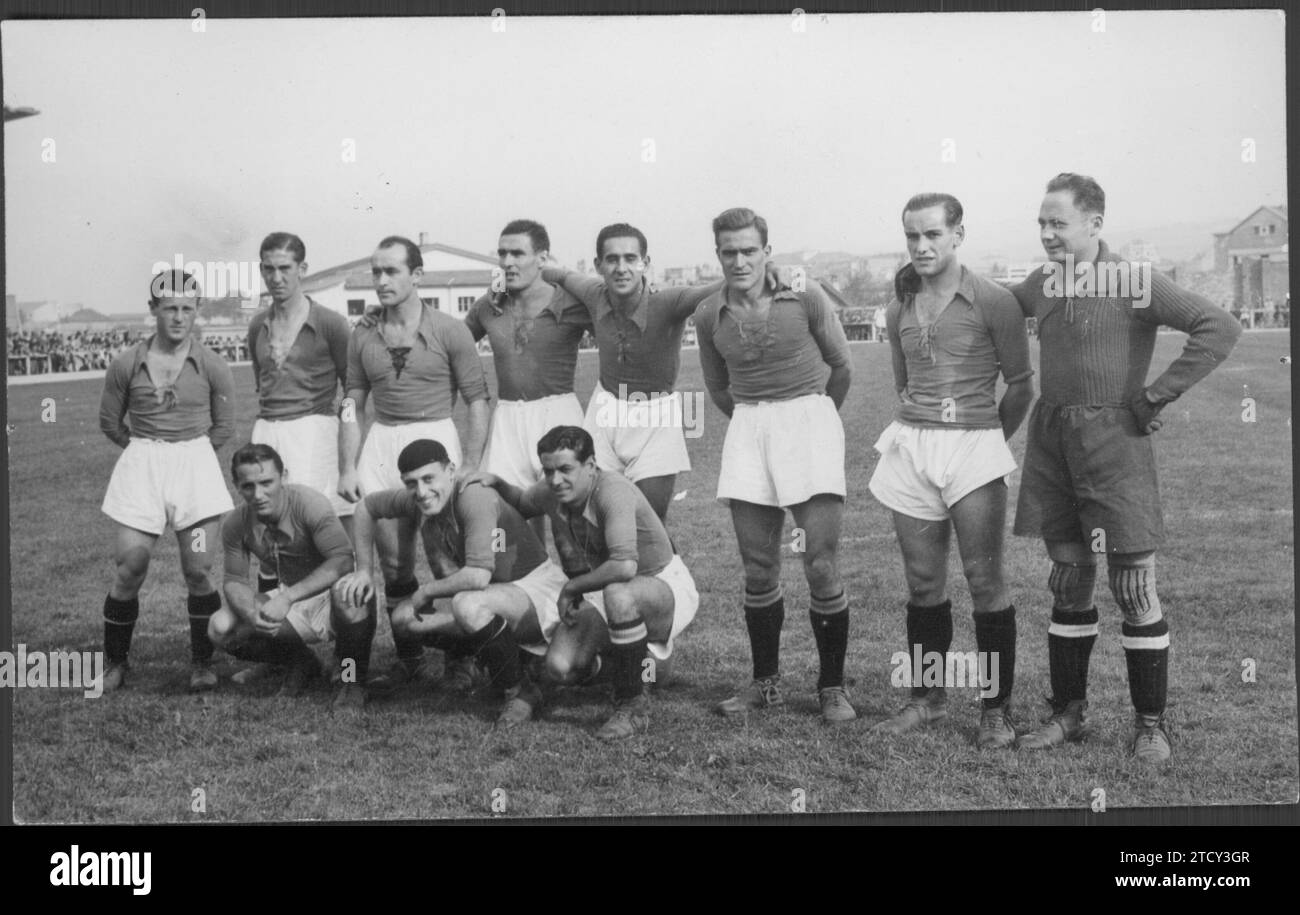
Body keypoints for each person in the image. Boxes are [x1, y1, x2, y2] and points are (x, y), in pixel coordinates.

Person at [1011, 173, 1241, 762]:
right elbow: (992, 309)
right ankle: (1069, 714)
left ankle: (1150, 725)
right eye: (1041, 223)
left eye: (1058, 222)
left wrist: (1158, 393)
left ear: (1095, 224)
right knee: (1068, 578)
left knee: (1134, 584)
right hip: (1052, 439)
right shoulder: (1041, 282)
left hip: (1115, 443)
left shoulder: (1133, 281)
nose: (1047, 234)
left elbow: (1219, 326)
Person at [867, 193, 1034, 748]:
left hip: (975, 445)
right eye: (912, 236)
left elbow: (1021, 386)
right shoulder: (898, 308)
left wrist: (985, 441)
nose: (921, 246)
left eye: (933, 234)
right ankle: (929, 699)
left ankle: (996, 710)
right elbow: (902, 384)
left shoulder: (994, 300)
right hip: (913, 445)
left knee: (986, 582)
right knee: (922, 584)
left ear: (958, 234)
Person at [694, 207, 856, 723]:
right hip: (749, 427)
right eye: (728, 251)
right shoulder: (707, 313)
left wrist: (813, 416)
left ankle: (831, 687)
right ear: (717, 253)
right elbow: (718, 386)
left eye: (748, 250)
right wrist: (755, 419)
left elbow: (842, 366)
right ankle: (765, 684)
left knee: (821, 563)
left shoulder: (804, 294)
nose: (739, 260)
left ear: (767, 250)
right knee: (759, 567)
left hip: (809, 419)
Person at [469, 425, 700, 740]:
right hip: (608, 588)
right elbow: (523, 501)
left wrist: (572, 588)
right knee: (560, 666)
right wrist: (498, 483)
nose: (555, 479)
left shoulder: (612, 490)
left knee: (620, 594)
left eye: (565, 469)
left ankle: (632, 705)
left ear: (590, 465)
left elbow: (623, 565)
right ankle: (642, 665)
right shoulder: (553, 491)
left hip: (661, 582)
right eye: (548, 471)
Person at [338, 235, 491, 690]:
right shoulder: (362, 332)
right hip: (382, 443)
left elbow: (478, 401)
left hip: (436, 436)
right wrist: (348, 464)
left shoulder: (450, 329)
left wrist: (470, 464)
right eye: (376, 271)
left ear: (417, 275)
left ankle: (460, 658)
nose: (381, 280)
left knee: (446, 561)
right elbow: (352, 401)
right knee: (393, 565)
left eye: (391, 271)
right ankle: (409, 657)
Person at [539, 223, 736, 521]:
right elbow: (562, 274)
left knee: (647, 525)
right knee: (593, 518)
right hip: (605, 411)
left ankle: (667, 568)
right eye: (612, 259)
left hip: (655, 416)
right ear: (598, 265)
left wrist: (772, 272)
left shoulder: (668, 302)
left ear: (645, 263)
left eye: (631, 258)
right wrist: (532, 272)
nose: (621, 268)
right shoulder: (593, 292)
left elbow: (722, 287)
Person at [97, 269, 235, 692]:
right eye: (169, 308)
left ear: (197, 312)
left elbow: (224, 427)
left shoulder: (213, 364)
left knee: (198, 570)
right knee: (130, 568)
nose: (178, 317)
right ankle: (116, 662)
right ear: (153, 309)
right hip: (142, 469)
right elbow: (109, 422)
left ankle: (202, 663)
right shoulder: (126, 363)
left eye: (187, 309)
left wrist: (187, 457)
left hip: (195, 470)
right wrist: (147, 452)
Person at [331, 439, 550, 704]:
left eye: (428, 479)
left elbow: (478, 575)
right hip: (494, 596)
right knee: (403, 619)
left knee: (467, 604)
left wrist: (426, 591)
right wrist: (364, 570)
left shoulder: (473, 495)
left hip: (534, 594)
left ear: (451, 471)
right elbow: (366, 507)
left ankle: (518, 690)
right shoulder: (421, 499)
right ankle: (351, 680)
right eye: (411, 483)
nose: (421, 492)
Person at [209, 444, 370, 712]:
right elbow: (234, 580)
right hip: (292, 600)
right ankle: (300, 661)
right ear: (236, 486)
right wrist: (251, 613)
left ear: (284, 477)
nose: (258, 494)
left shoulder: (309, 503)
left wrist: (287, 597)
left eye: (266, 482)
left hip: (332, 597)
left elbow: (343, 561)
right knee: (220, 627)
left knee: (349, 594)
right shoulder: (236, 522)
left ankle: (351, 680)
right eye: (248, 486)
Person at [464, 220, 590, 535]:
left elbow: (617, 328)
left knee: (569, 526)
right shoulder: (488, 305)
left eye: (518, 253)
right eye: (502, 254)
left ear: (542, 258)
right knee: (512, 522)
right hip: (507, 419)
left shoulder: (570, 301)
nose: (507, 262)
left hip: (558, 414)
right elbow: (452, 343)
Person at [246, 233, 354, 560]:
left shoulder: (332, 323)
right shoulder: (256, 325)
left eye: (285, 268)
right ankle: (278, 608)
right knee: (270, 532)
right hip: (268, 431)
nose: (276, 278)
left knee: (324, 525)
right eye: (268, 269)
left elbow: (352, 391)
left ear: (302, 268)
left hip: (315, 431)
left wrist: (347, 458)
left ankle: (346, 603)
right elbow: (261, 382)